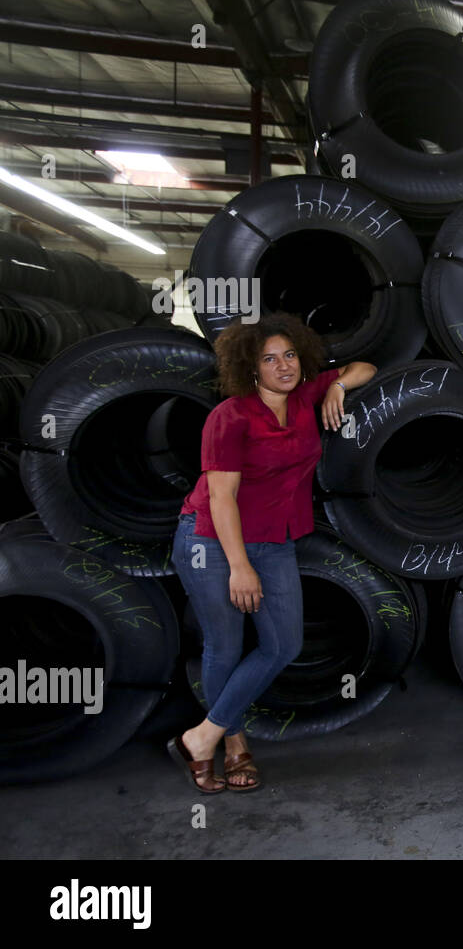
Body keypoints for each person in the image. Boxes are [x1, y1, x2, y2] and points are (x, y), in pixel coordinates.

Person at [166, 312, 376, 793]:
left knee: (283, 644)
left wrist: (338, 387)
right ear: (250, 367)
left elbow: (365, 367)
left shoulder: (305, 395)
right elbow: (221, 498)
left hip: (275, 538)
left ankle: (201, 736)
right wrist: (240, 567)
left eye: (290, 356)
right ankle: (234, 745)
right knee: (225, 644)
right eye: (269, 359)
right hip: (212, 541)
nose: (283, 366)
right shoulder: (230, 417)